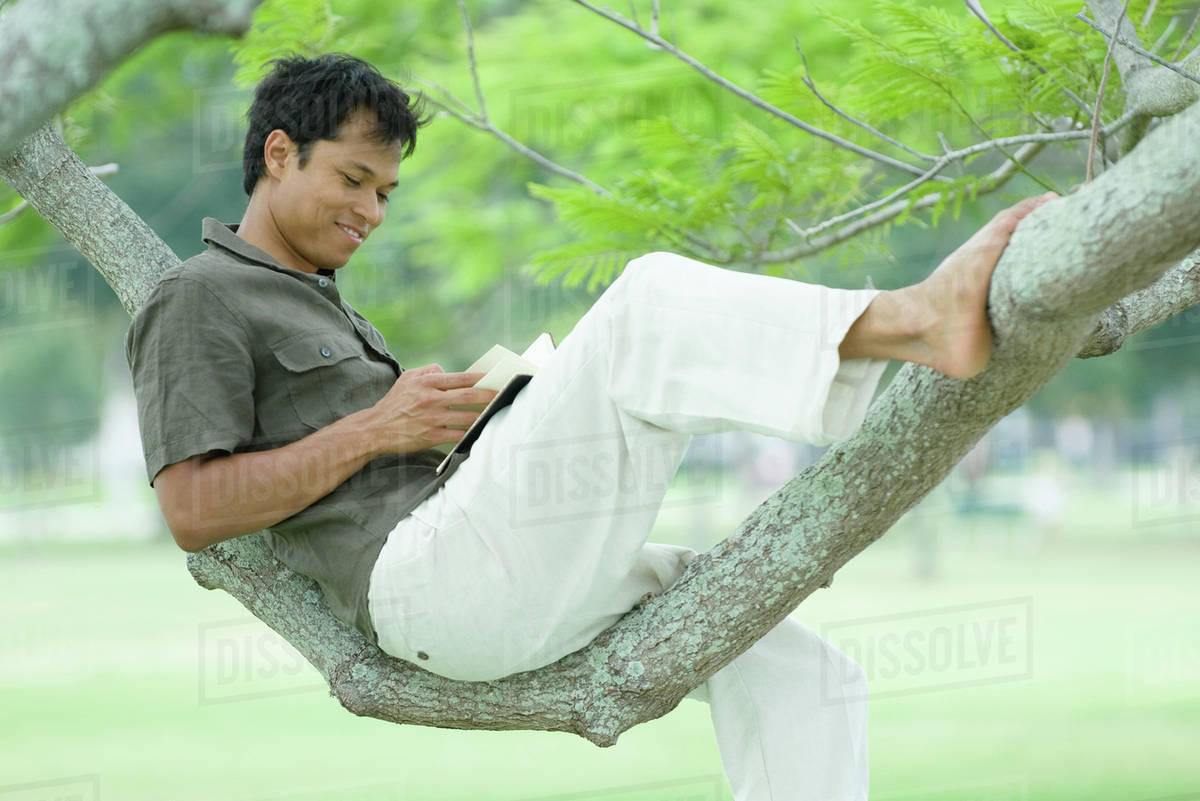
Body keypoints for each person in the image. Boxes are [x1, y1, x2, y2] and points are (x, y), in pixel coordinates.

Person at [124, 52, 1057, 801]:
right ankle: (917, 321)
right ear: (279, 154)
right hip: (429, 586)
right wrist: (376, 427)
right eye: (355, 180)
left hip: (487, 565)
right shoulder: (198, 296)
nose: (371, 212)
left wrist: (468, 418)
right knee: (647, 301)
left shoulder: (318, 297)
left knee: (788, 658)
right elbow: (193, 508)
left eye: (386, 194)